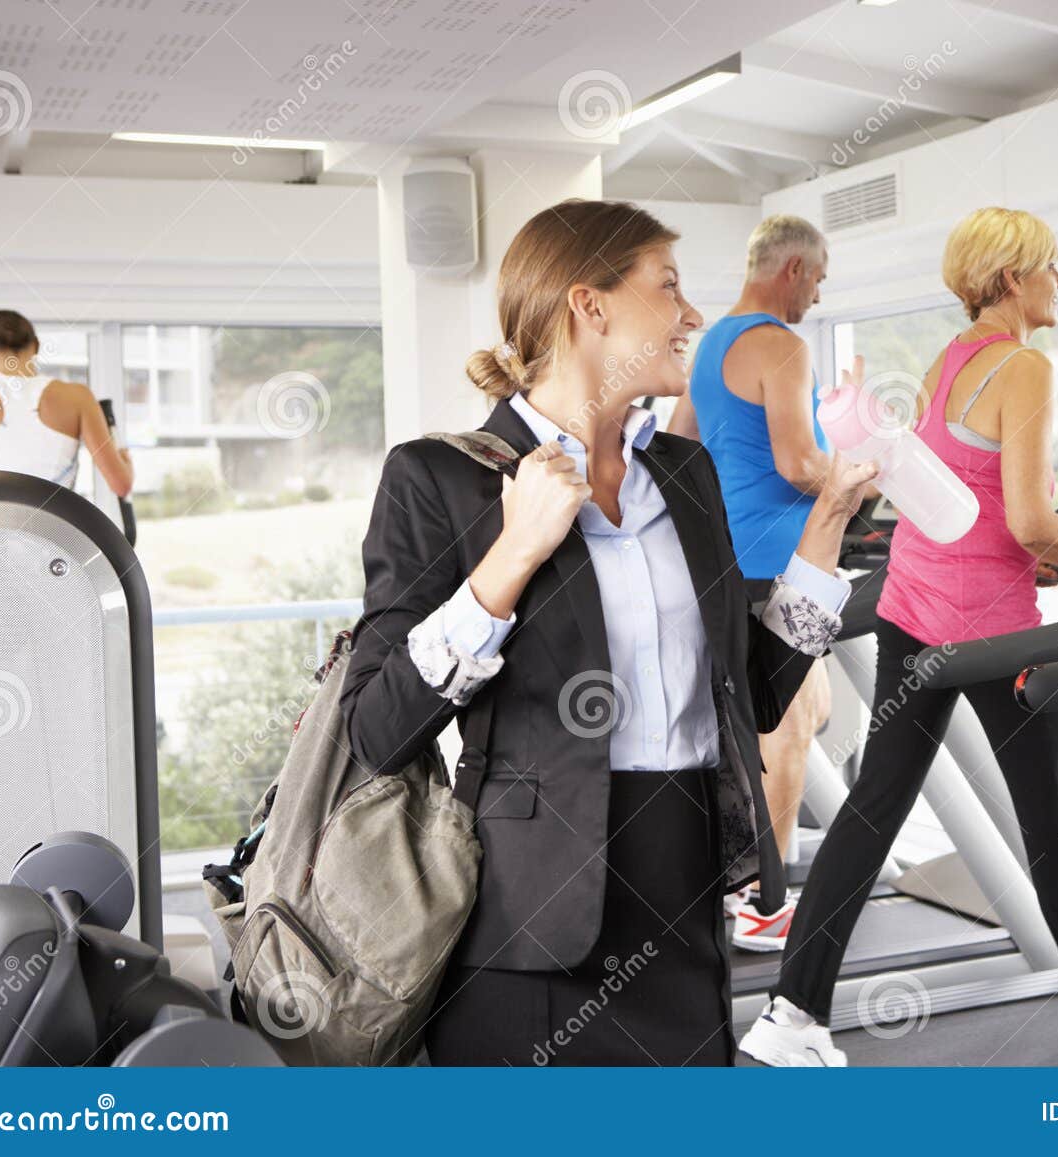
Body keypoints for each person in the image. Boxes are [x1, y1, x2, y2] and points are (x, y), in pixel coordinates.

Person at [339, 198, 877, 1066]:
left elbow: (753, 694)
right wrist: (511, 557)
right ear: (588, 305)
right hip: (527, 924)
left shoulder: (685, 472)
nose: (692, 314)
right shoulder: (440, 478)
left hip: (686, 898)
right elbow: (377, 728)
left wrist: (825, 533)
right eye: (668, 286)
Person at [740, 206, 1058, 1067]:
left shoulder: (948, 360)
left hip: (913, 615)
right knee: (1056, 812)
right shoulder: (1025, 367)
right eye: (1051, 265)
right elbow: (1028, 519)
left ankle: (791, 1013)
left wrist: (1047, 560)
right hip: (991, 633)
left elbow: (956, 495)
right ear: (1012, 279)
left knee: (874, 808)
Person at [667, 215, 846, 952]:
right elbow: (800, 464)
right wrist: (860, 480)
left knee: (807, 711)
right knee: (789, 729)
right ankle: (765, 905)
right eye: (818, 279)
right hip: (779, 566)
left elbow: (678, 444)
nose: (816, 296)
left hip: (731, 565)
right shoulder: (781, 344)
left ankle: (730, 881)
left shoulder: (714, 343)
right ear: (793, 269)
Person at [0, 310, 133, 496]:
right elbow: (121, 485)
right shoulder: (78, 396)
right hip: (58, 516)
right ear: (36, 345)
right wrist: (125, 458)